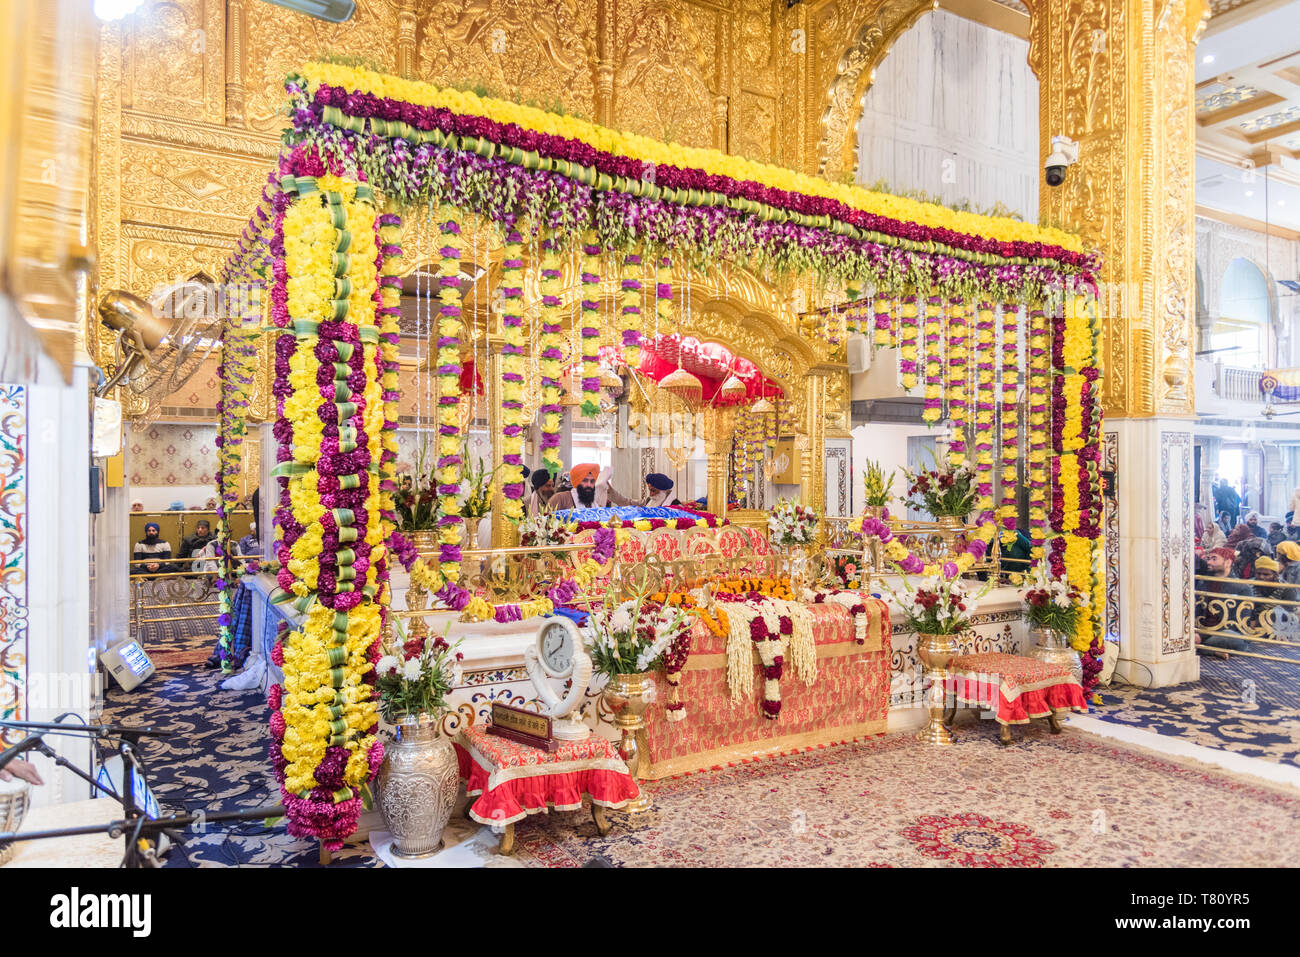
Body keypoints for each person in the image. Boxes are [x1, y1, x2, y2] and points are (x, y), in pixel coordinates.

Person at [546, 464, 637, 511]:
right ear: (577, 482)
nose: (589, 485)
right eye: (585, 481)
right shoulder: (560, 499)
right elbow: (546, 526)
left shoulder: (594, 503)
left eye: (592, 481)